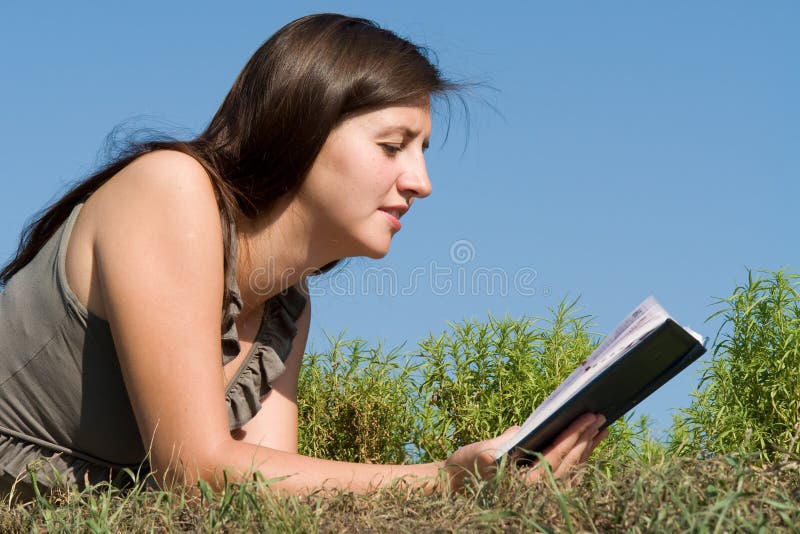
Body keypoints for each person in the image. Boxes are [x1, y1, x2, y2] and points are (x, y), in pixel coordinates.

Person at [0, 13, 607, 499]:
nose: (421, 181)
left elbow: (261, 490)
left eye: (421, 150)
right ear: (303, 128)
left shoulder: (287, 307)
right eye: (393, 146)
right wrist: (442, 481)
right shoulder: (169, 189)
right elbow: (198, 469)